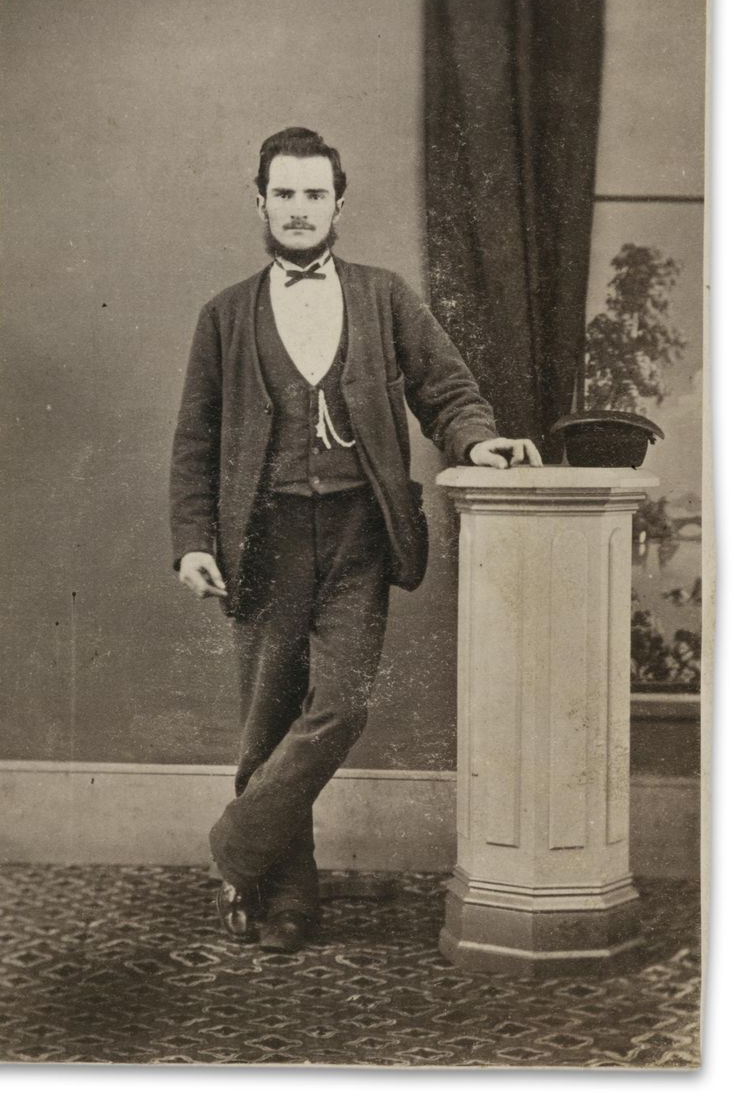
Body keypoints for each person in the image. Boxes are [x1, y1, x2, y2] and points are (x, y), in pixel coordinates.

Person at [170, 127, 542, 953]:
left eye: (314, 194)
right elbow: (194, 439)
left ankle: (236, 846)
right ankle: (288, 903)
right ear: (259, 200)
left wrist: (476, 439)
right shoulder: (225, 315)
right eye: (284, 194)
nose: (299, 210)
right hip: (260, 542)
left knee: (338, 706)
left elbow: (446, 389)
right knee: (267, 723)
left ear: (339, 201)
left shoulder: (384, 296)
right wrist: (194, 538)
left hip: (357, 535)